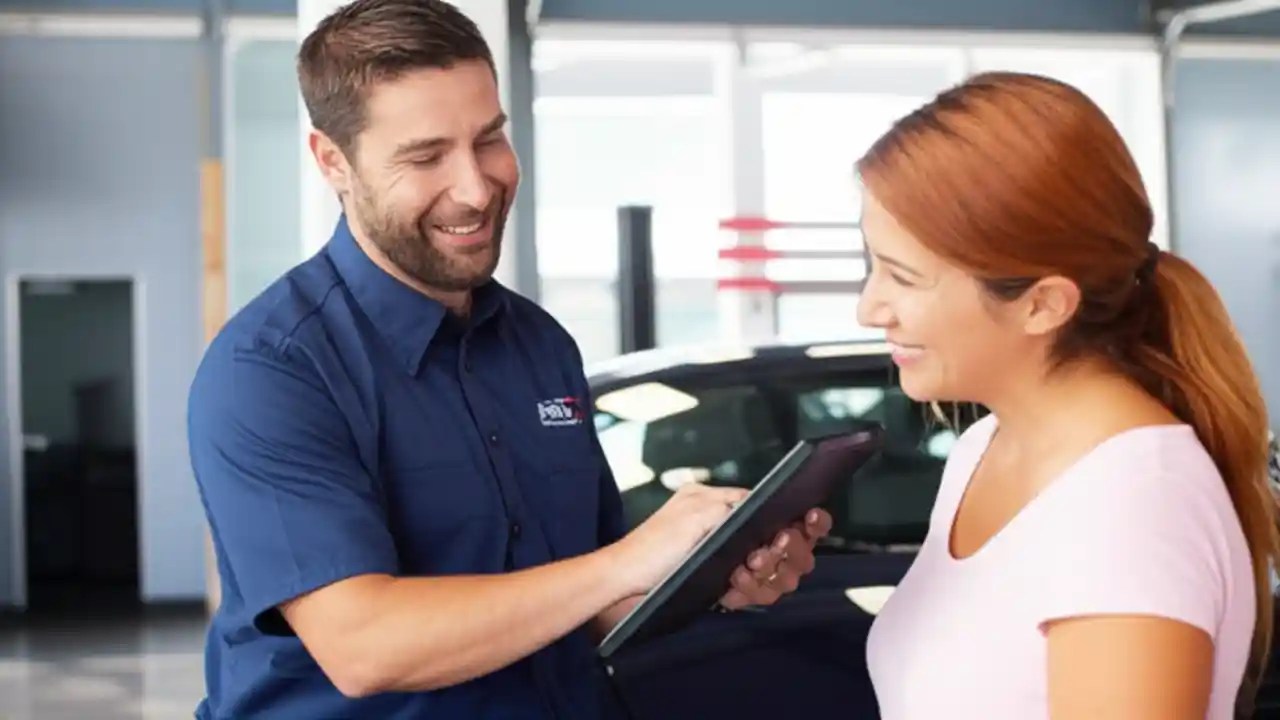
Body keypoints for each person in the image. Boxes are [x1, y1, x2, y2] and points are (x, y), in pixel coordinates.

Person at [185, 1, 832, 718]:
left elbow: (583, 605)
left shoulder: (540, 345)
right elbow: (365, 646)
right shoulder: (271, 371)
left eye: (489, 138)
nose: (476, 186)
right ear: (333, 161)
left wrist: (712, 579)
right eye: (426, 156)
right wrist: (625, 562)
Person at [856, 71, 1279, 719]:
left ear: (1043, 305)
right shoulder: (982, 448)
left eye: (903, 278)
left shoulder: (1135, 506)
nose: (870, 308)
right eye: (872, 266)